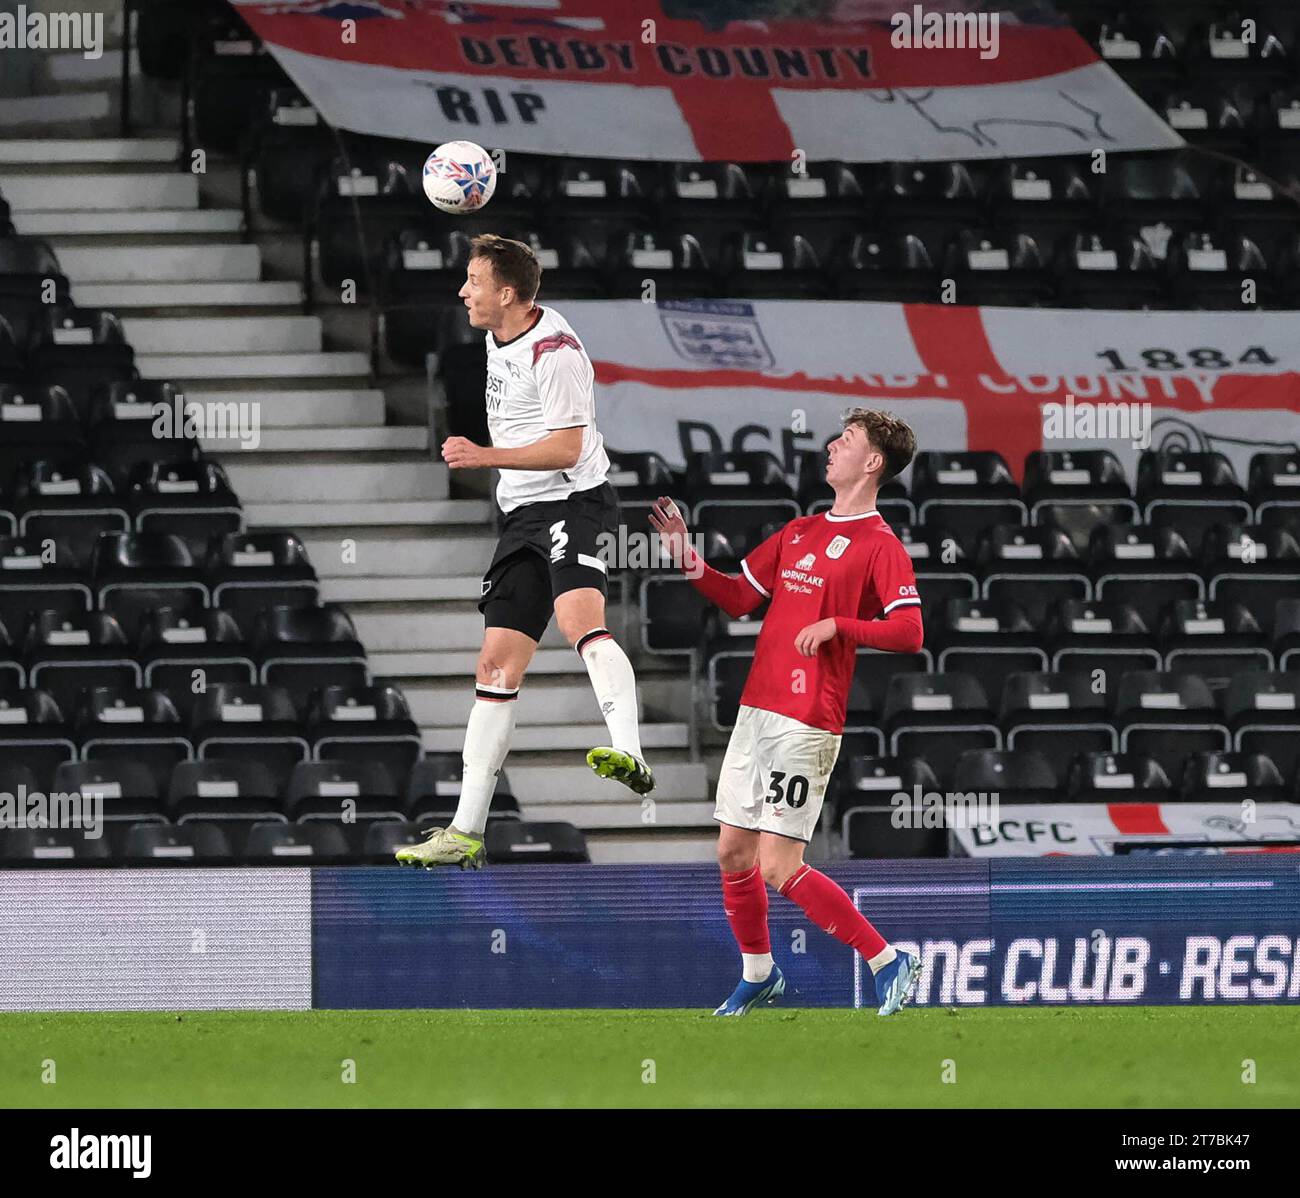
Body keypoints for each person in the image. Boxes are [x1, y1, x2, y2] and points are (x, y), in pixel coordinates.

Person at [648, 408, 925, 1015]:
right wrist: (686, 556)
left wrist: (839, 625)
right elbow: (740, 597)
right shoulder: (799, 530)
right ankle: (758, 973)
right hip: (758, 707)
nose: (831, 445)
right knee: (731, 851)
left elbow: (909, 632)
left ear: (872, 462)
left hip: (807, 719)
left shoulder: (881, 546)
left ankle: (888, 960)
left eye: (846, 440)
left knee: (777, 863)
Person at [397, 235, 653, 870]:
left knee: (577, 622)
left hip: (575, 502)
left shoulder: (556, 353)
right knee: (494, 667)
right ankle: (465, 830)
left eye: (474, 282)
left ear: (506, 294)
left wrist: (483, 456)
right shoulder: (499, 332)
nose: (464, 292)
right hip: (522, 515)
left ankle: (631, 752)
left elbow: (568, 447)